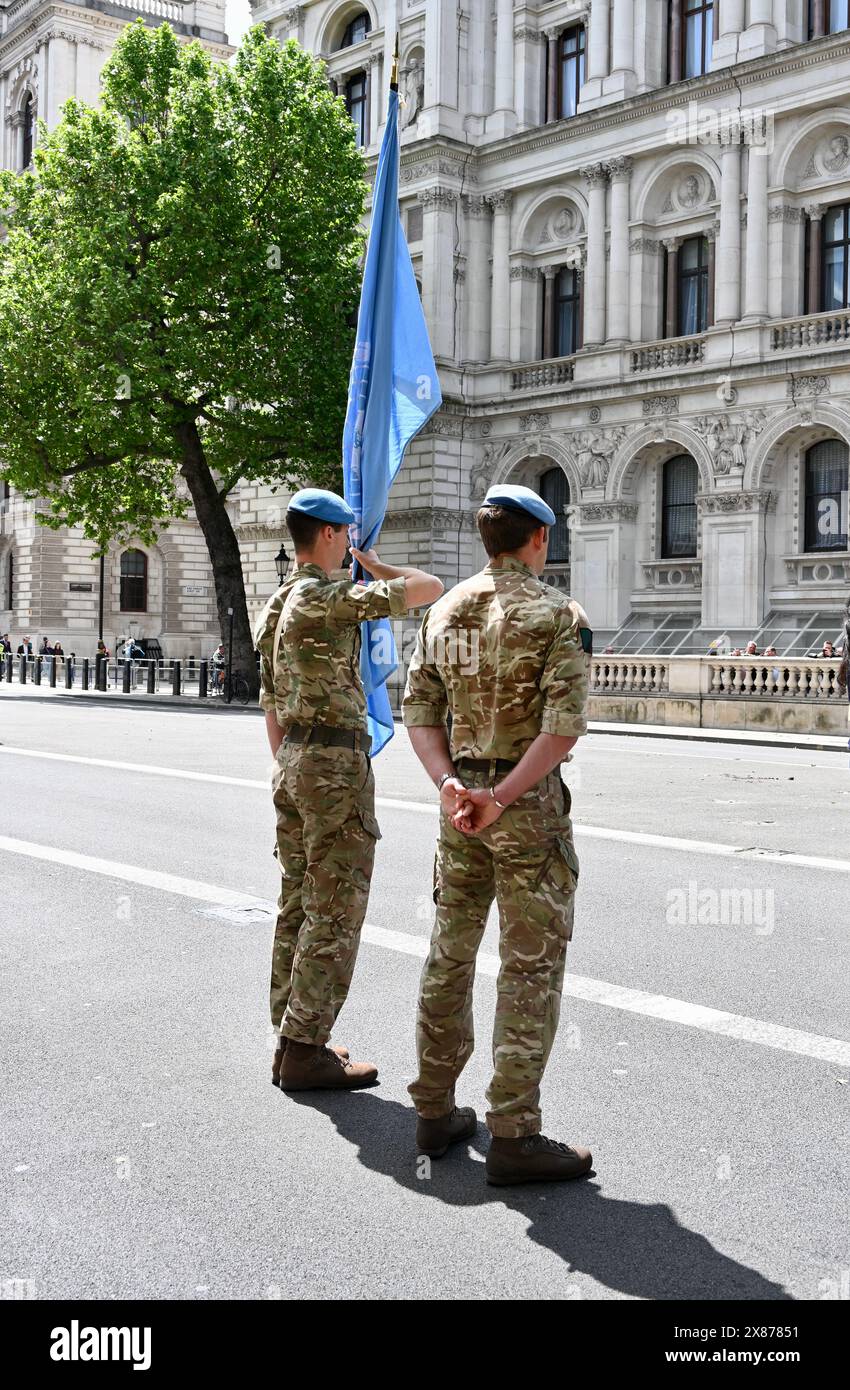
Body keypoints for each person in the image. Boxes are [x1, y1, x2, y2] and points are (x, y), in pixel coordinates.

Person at [402, 482, 593, 1186]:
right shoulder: (556, 614)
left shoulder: (445, 608)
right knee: (529, 966)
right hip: (524, 808)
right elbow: (562, 729)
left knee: (448, 954)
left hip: (458, 811)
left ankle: (433, 1109)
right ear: (538, 538)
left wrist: (451, 786)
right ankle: (514, 1132)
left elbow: (418, 713)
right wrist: (501, 796)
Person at [253, 487, 443, 1093]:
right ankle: (306, 1048)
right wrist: (377, 566)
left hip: (293, 761)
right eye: (347, 536)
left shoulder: (278, 603)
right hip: (333, 763)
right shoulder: (330, 596)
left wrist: (290, 762)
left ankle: (291, 1034)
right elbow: (429, 587)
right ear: (333, 535)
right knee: (336, 908)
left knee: (297, 901)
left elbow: (269, 705)